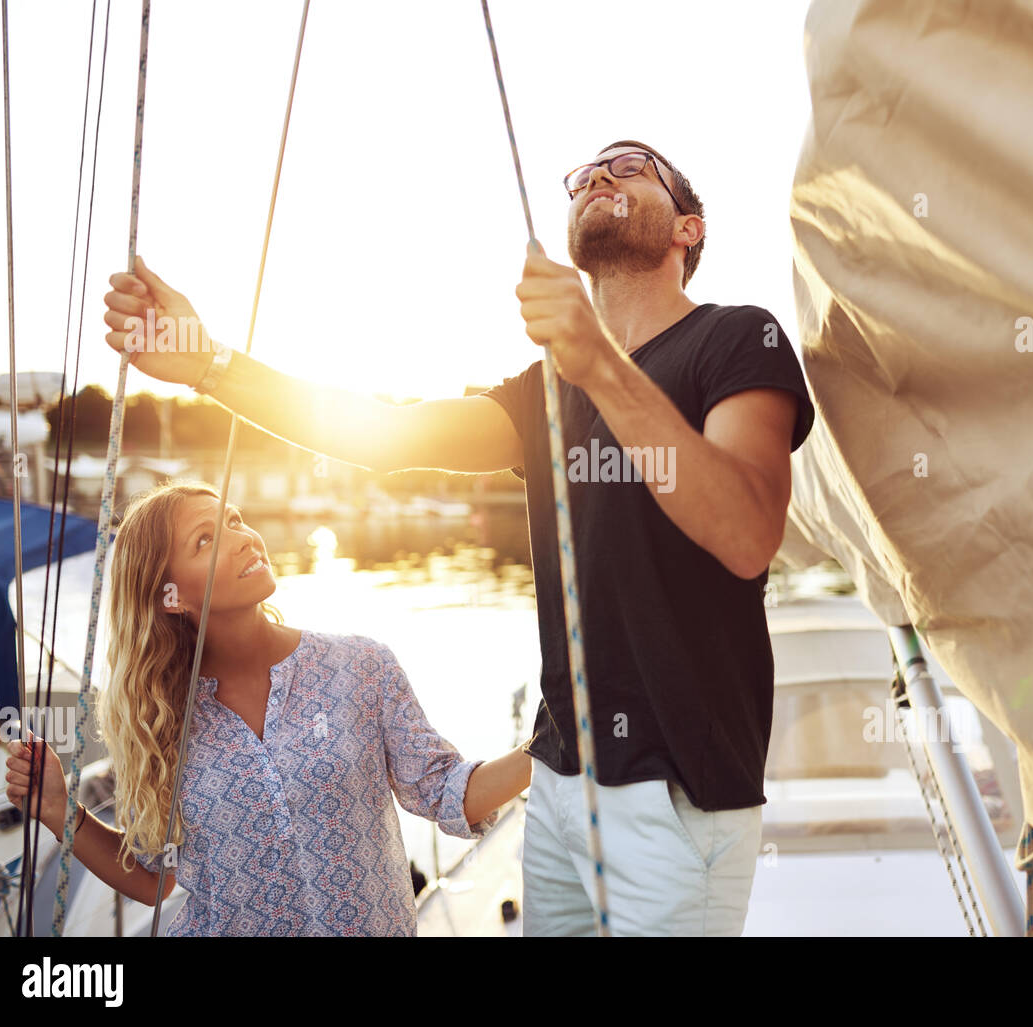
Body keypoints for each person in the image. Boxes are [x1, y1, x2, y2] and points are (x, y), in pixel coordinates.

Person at [101, 140, 816, 936]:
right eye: (585, 174)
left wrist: (599, 363)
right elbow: (387, 435)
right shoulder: (545, 390)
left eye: (632, 166)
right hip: (560, 785)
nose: (600, 176)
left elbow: (749, 533)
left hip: (679, 792)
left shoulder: (738, 340)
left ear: (690, 228)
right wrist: (209, 365)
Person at [4, 481, 529, 936]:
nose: (243, 538)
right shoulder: (161, 719)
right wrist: (58, 809)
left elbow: (445, 792)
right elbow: (152, 878)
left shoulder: (361, 666)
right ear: (170, 596)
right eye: (206, 539)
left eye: (234, 520)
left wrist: (544, 749)